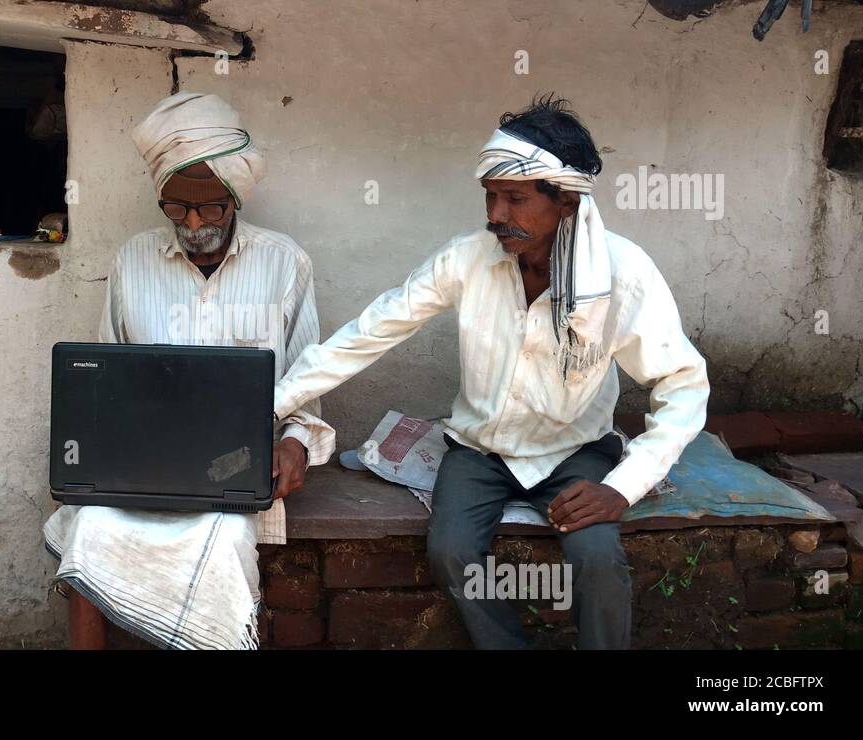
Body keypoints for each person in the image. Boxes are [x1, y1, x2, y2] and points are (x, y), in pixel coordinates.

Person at [272, 95, 710, 649]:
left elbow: (684, 384)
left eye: (514, 198)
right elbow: (368, 334)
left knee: (596, 557)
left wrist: (622, 488)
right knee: (451, 548)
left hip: (578, 448)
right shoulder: (467, 259)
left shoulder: (624, 274)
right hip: (479, 450)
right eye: (490, 197)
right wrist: (272, 404)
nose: (495, 215)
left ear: (567, 202)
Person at [43, 92, 335, 650]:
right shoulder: (133, 259)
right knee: (88, 528)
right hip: (140, 471)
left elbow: (307, 382)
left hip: (238, 473)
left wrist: (295, 444)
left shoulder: (285, 263)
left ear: (235, 198)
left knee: (223, 542)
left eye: (210, 208)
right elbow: (103, 381)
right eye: (177, 209)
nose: (194, 222)